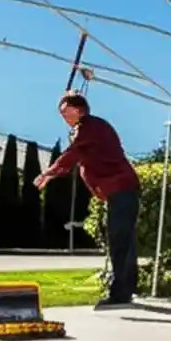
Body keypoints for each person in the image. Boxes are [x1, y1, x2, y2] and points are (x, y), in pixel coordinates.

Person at [35, 93, 141, 307]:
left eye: (65, 112)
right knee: (122, 241)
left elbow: (73, 154)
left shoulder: (90, 128)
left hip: (122, 189)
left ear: (79, 109)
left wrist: (49, 173)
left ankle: (120, 294)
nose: (63, 116)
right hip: (119, 192)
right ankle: (124, 291)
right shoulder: (88, 129)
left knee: (119, 241)